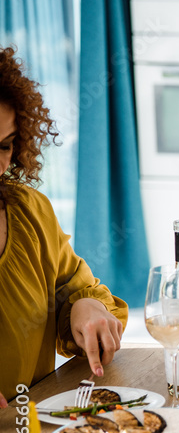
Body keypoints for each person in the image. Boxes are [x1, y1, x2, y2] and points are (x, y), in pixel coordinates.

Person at [0, 46, 128, 406]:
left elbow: (73, 292)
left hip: (32, 431)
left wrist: (83, 307)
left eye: (5, 146)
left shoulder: (29, 211)